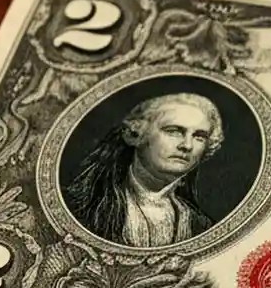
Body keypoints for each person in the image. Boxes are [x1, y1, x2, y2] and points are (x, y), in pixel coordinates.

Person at [63, 92, 224, 247]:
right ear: (135, 134)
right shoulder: (81, 206)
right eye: (174, 131)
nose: (187, 146)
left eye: (199, 137)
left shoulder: (200, 225)